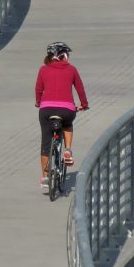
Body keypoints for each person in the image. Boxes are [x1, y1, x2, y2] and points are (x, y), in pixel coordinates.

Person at [34, 41, 89, 192]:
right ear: (62, 55)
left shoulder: (43, 69)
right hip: (66, 110)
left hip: (46, 110)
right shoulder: (72, 69)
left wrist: (39, 102)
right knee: (67, 123)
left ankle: (45, 177)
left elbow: (38, 88)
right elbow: (80, 88)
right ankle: (68, 150)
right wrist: (84, 104)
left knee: (45, 143)